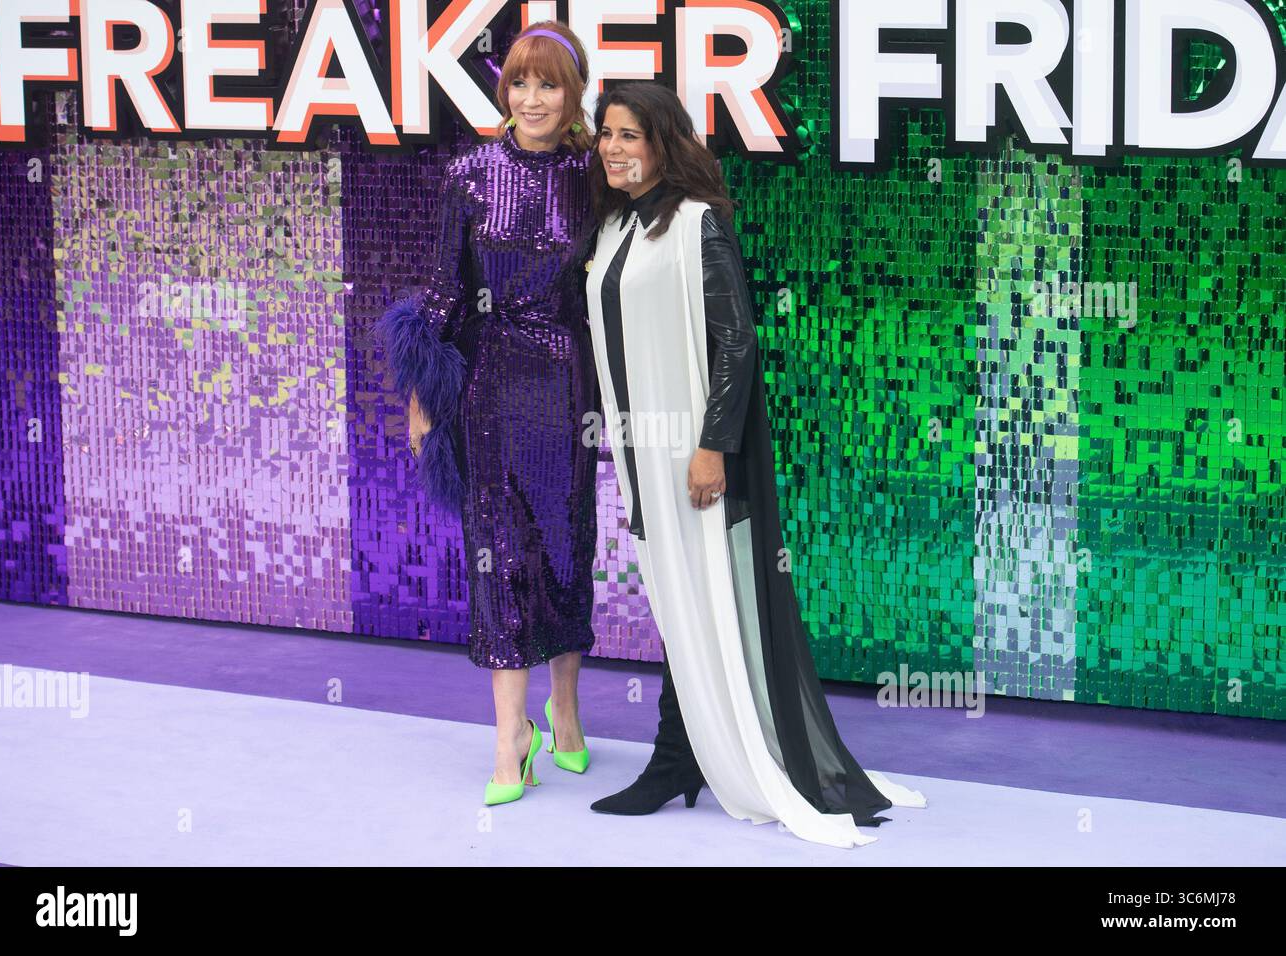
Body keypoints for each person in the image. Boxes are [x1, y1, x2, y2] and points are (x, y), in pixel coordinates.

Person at [582, 83, 927, 848]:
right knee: (679, 603)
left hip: (692, 457)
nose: (613, 147)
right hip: (643, 453)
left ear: (663, 143)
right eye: (606, 133)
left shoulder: (696, 223)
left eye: (631, 135)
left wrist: (712, 446)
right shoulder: (613, 227)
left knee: (710, 601)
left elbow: (737, 344)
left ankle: (687, 759)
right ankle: (683, 755)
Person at [374, 22, 598, 806]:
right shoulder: (469, 173)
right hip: (490, 389)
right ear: (504, 90)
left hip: (569, 386)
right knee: (499, 556)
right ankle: (511, 738)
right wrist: (422, 397)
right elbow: (442, 292)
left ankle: (564, 709)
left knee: (566, 548)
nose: (532, 99)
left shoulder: (594, 172)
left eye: (549, 85)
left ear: (574, 95)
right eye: (520, 84)